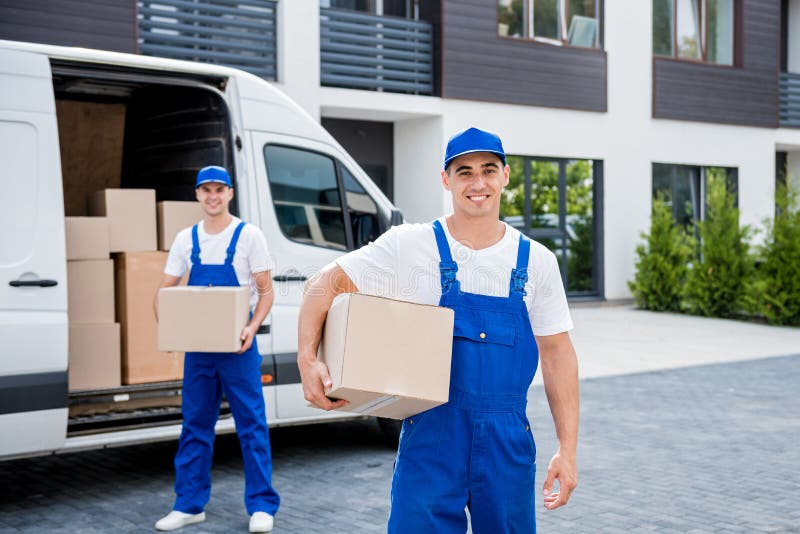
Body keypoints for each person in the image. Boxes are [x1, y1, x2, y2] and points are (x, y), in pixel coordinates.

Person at [298, 128, 579, 533]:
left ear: (505, 175)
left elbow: (557, 356)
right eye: (464, 172)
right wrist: (307, 360)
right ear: (446, 180)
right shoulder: (409, 245)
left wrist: (566, 451)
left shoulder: (536, 261)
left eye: (488, 170)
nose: (477, 182)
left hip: (507, 443)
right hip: (431, 436)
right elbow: (321, 286)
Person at [153, 166, 280, 533]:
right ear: (197, 194)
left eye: (219, 190)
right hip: (199, 350)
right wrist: (173, 330)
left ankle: (261, 506)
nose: (212, 196)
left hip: (239, 346)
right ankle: (189, 504)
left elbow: (266, 292)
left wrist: (251, 328)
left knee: (252, 425)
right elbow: (164, 291)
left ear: (229, 194)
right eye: (205, 190)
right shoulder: (185, 239)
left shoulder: (248, 236)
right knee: (194, 425)